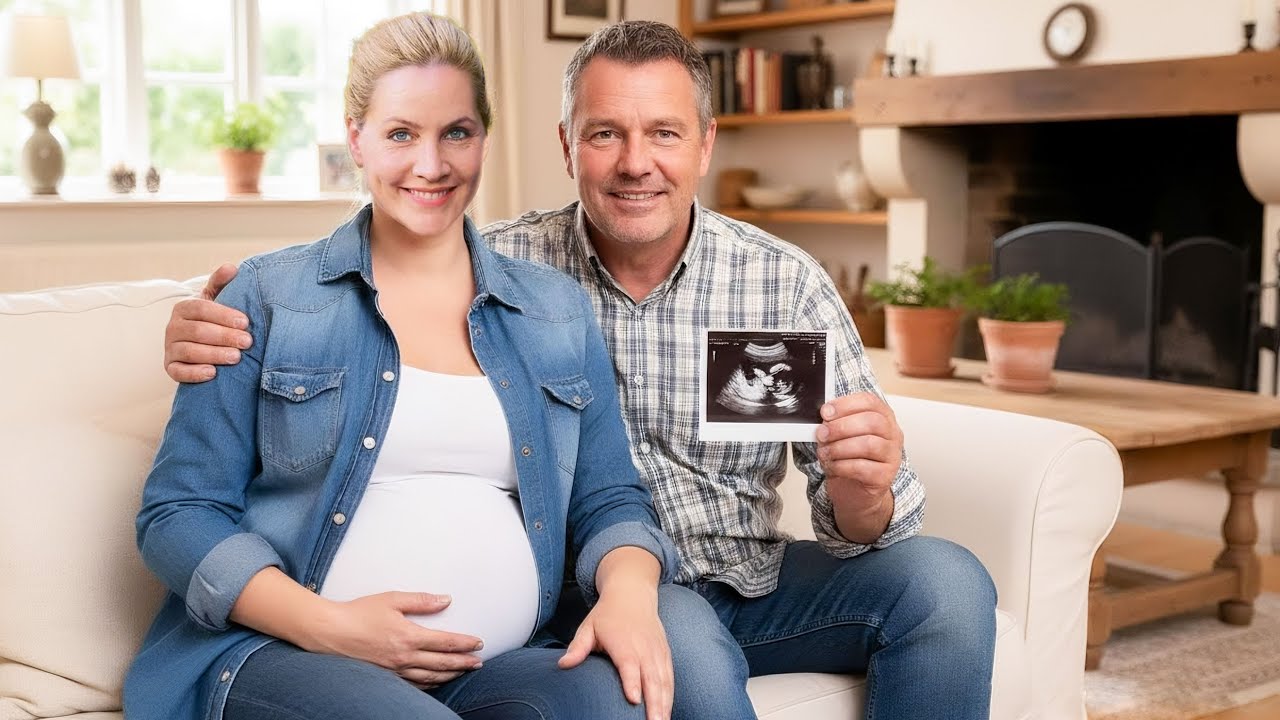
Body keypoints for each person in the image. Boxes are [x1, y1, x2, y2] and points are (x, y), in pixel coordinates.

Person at [163, 19, 998, 720]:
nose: (637, 163)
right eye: (607, 133)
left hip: (752, 571)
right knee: (683, 664)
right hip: (604, 591)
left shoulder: (777, 284)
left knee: (949, 586)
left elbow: (856, 515)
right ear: (568, 145)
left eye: (665, 132)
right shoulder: (512, 274)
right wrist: (204, 318)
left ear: (704, 144)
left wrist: (862, 494)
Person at [126, 13, 757, 720]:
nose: (431, 165)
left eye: (455, 132)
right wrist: (331, 627)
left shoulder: (552, 311)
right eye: (401, 134)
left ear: (483, 139)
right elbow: (178, 515)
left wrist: (630, 595)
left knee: (618, 704)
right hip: (283, 654)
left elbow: (610, 499)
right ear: (356, 137)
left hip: (493, 667)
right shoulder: (269, 298)